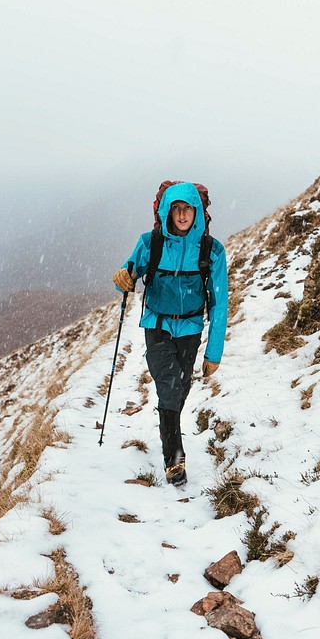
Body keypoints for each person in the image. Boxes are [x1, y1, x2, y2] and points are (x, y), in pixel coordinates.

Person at [113, 181, 228, 486]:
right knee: (169, 384)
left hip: (190, 327)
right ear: (166, 211)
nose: (181, 215)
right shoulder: (151, 243)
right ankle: (174, 459)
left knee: (180, 388)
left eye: (187, 209)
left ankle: (169, 423)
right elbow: (128, 274)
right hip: (158, 324)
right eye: (176, 209)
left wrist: (213, 351)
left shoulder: (211, 251)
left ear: (197, 213)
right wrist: (123, 278)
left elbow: (219, 303)